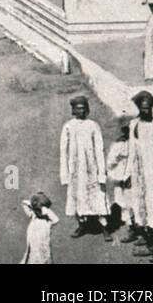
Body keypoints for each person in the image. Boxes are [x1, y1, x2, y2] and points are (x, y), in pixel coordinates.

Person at [125, 90, 153, 261]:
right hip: (139, 175)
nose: (146, 111)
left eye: (148, 108)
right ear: (138, 108)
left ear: (152, 108)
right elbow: (131, 151)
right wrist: (129, 173)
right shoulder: (133, 124)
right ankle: (149, 243)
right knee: (140, 207)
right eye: (143, 108)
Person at [60, 95, 109, 238]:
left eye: (83, 109)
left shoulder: (93, 125)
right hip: (76, 169)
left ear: (87, 110)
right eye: (77, 109)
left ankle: (104, 227)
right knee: (78, 195)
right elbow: (63, 151)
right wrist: (65, 174)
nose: (80, 111)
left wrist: (101, 172)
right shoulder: (68, 126)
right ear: (73, 110)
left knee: (98, 195)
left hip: (92, 167)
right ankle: (82, 225)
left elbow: (99, 149)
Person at [20, 192, 59, 264]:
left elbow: (56, 219)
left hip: (42, 235)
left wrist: (49, 224)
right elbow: (28, 212)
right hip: (33, 233)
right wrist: (27, 204)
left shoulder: (45, 213)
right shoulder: (35, 213)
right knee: (33, 248)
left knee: (41, 249)